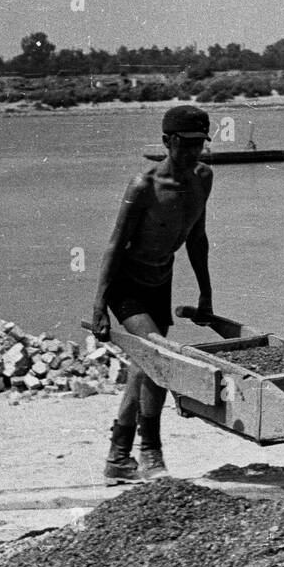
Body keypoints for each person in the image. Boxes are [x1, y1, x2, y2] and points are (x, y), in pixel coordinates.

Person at [91, 104, 215, 483]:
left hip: (161, 282)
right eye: (186, 144)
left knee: (145, 365)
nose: (194, 152)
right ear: (168, 142)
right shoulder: (143, 186)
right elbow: (114, 245)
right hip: (127, 286)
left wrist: (206, 295)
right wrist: (99, 304)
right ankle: (151, 453)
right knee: (159, 359)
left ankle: (117, 458)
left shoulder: (204, 178)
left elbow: (197, 238)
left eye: (200, 144)